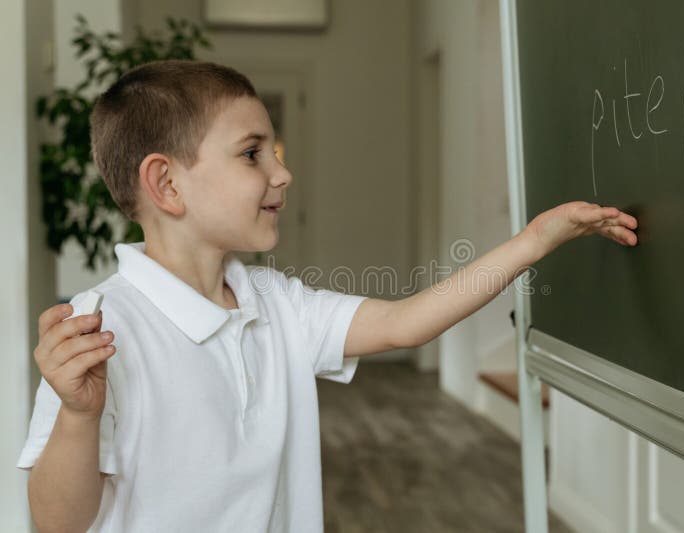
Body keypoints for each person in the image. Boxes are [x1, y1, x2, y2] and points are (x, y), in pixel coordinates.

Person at [17, 59, 638, 533]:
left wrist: (533, 241)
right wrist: (78, 418)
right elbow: (57, 522)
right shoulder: (98, 330)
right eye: (253, 153)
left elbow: (404, 323)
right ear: (166, 184)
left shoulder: (275, 301)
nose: (281, 173)